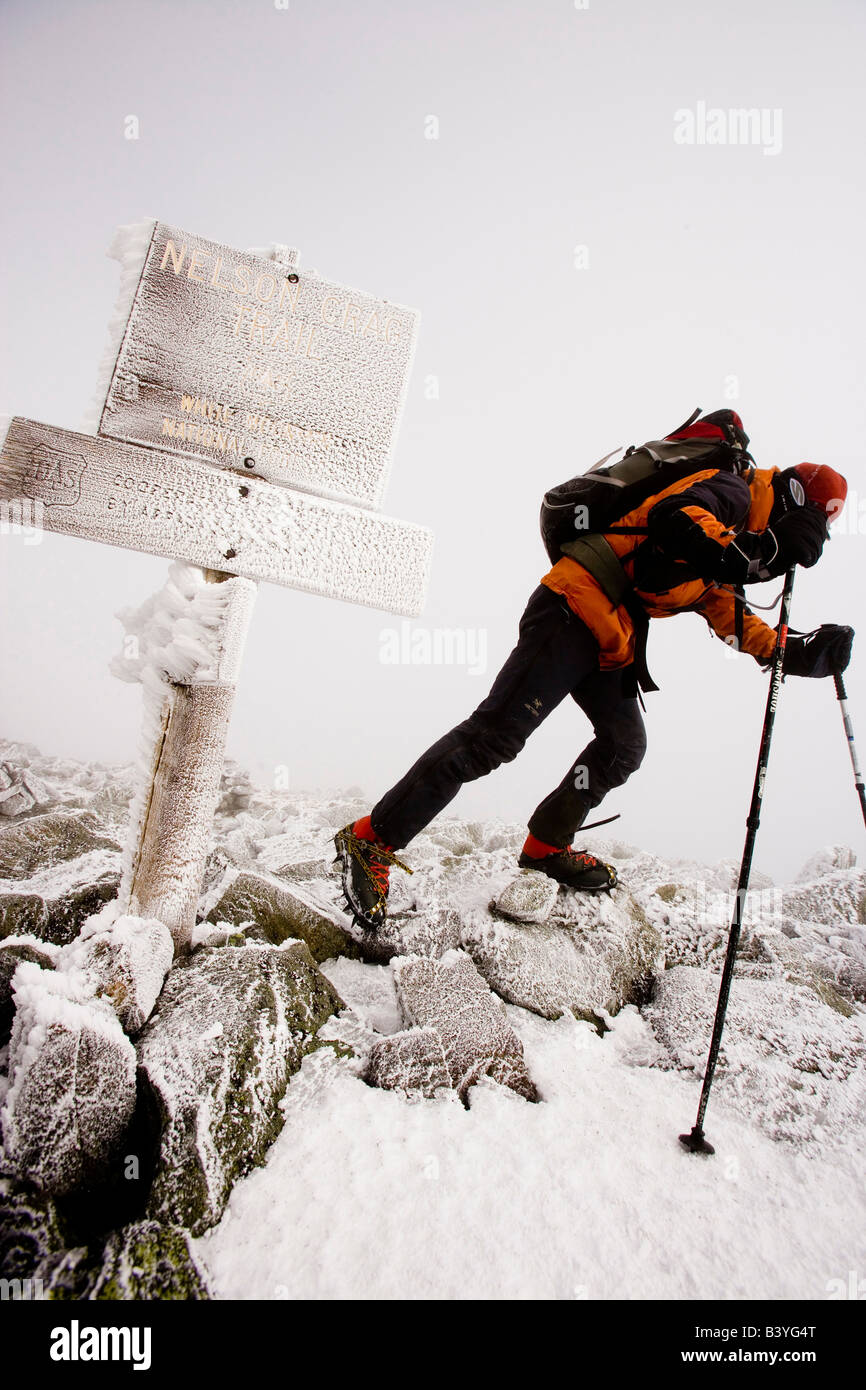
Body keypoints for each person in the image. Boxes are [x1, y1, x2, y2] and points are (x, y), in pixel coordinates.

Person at [335, 409, 853, 932]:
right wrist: (766, 553)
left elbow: (733, 614)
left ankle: (546, 845)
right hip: (572, 607)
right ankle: (370, 839)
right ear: (791, 505)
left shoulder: (736, 535)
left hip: (610, 635)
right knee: (494, 738)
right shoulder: (732, 492)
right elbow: (679, 519)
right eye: (809, 527)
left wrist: (802, 652)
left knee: (623, 745)